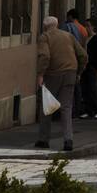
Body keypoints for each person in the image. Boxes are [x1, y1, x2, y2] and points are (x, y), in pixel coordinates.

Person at [35, 15, 87, 151]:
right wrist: (79, 72)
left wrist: (40, 74)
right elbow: (83, 55)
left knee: (47, 106)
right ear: (57, 24)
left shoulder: (44, 37)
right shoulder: (68, 36)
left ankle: (43, 139)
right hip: (71, 72)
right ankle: (68, 140)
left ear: (45, 26)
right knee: (66, 108)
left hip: (53, 73)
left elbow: (45, 56)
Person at [78, 17, 97, 119]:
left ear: (93, 27)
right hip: (85, 67)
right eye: (85, 26)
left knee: (93, 89)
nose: (86, 28)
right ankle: (88, 110)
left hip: (92, 66)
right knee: (85, 89)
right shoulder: (85, 39)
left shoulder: (96, 39)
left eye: (88, 26)